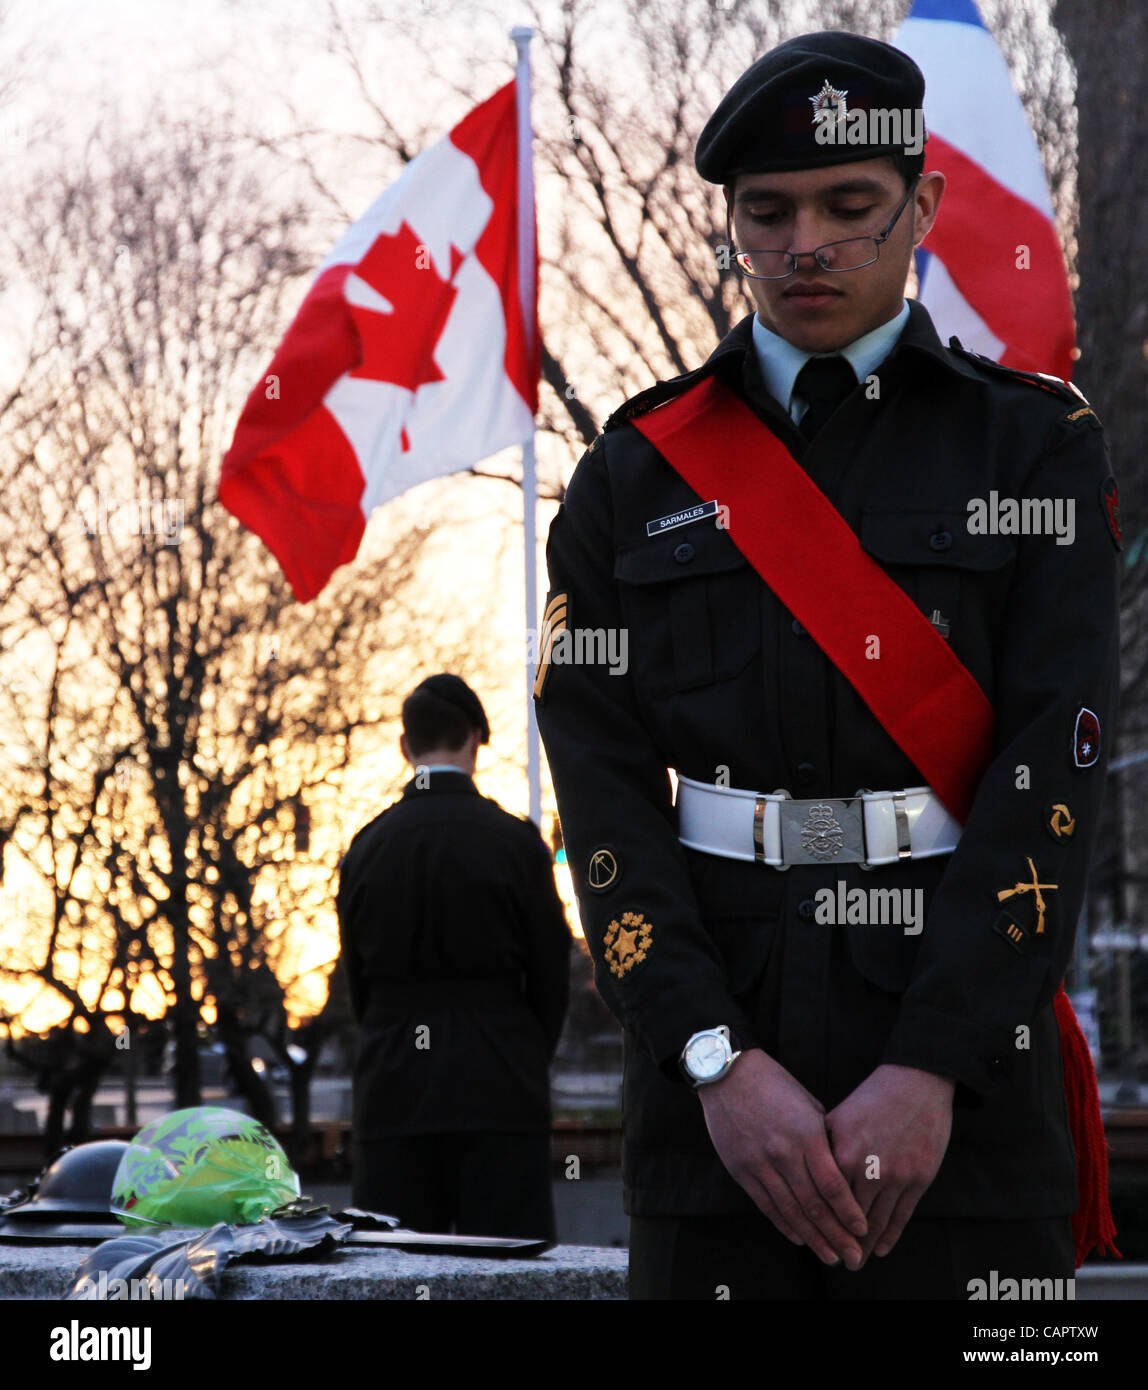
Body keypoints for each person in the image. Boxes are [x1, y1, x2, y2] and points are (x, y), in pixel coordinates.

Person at [533, 30, 1120, 1299]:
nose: (806, 244)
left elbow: (1052, 779)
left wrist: (931, 1065)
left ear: (922, 206)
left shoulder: (1031, 453)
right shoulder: (630, 476)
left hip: (966, 1088)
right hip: (716, 1109)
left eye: (850, 206)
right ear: (731, 224)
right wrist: (711, 1061)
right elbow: (602, 796)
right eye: (768, 211)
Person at [337, 673, 570, 1239]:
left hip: (393, 1090)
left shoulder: (365, 848)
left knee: (393, 1277)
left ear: (404, 747)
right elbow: (551, 974)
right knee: (508, 1276)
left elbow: (357, 988)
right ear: (473, 740)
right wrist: (521, 1050)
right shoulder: (516, 844)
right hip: (499, 1087)